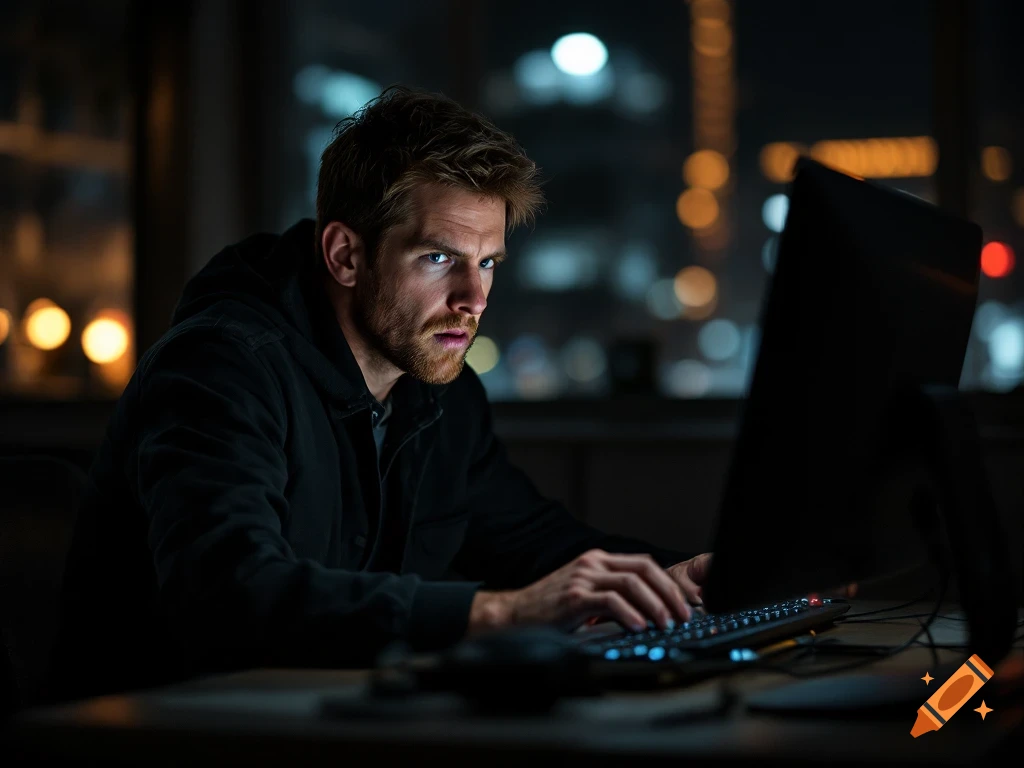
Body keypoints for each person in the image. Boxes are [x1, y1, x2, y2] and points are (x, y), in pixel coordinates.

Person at [47, 85, 713, 703]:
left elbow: (534, 542)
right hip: (161, 739)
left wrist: (684, 579)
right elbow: (229, 594)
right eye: (439, 259)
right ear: (345, 255)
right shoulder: (219, 370)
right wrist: (504, 612)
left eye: (486, 263)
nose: (474, 300)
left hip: (320, 726)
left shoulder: (439, 389)